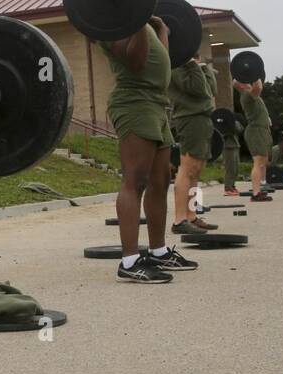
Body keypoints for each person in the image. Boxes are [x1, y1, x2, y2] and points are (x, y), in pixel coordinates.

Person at [103, 16, 198, 282]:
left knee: (160, 181)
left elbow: (162, 63)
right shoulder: (111, 23)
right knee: (136, 180)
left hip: (156, 103)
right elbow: (137, 61)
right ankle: (130, 261)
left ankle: (158, 252)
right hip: (134, 101)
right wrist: (138, 17)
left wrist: (160, 29)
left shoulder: (142, 23)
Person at [168, 56, 217, 233]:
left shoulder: (193, 67)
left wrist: (204, 67)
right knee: (187, 168)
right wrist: (191, 64)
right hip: (189, 118)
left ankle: (191, 215)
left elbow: (211, 90)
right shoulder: (176, 66)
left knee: (196, 170)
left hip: (202, 118)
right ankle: (179, 220)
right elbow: (198, 88)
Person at [233, 76, 272, 201]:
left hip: (261, 130)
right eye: (246, 82)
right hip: (256, 131)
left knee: (263, 161)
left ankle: (258, 190)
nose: (250, 83)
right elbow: (258, 86)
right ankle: (255, 194)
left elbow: (256, 87)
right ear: (242, 86)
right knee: (258, 161)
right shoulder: (246, 95)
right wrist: (257, 74)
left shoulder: (251, 95)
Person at [222, 126, 241, 195]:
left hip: (235, 144)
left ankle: (232, 186)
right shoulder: (224, 117)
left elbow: (240, 128)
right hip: (228, 145)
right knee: (230, 167)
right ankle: (228, 188)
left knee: (235, 168)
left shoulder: (233, 118)